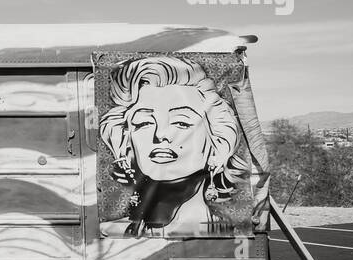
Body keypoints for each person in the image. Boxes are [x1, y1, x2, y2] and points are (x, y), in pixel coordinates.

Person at [98, 56, 250, 236]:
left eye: (182, 123)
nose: (161, 134)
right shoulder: (110, 231)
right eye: (144, 123)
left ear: (217, 144)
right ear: (127, 144)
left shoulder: (227, 231)